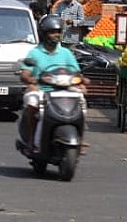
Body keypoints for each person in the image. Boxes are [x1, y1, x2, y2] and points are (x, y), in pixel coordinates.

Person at [19, 16, 85, 152]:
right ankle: (32, 139)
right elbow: (25, 73)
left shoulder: (66, 53)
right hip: (42, 90)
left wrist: (82, 82)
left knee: (82, 101)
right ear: (44, 34)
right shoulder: (34, 53)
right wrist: (31, 80)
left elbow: (76, 72)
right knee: (32, 102)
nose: (56, 35)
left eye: (58, 31)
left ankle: (80, 138)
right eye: (52, 32)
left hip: (64, 90)